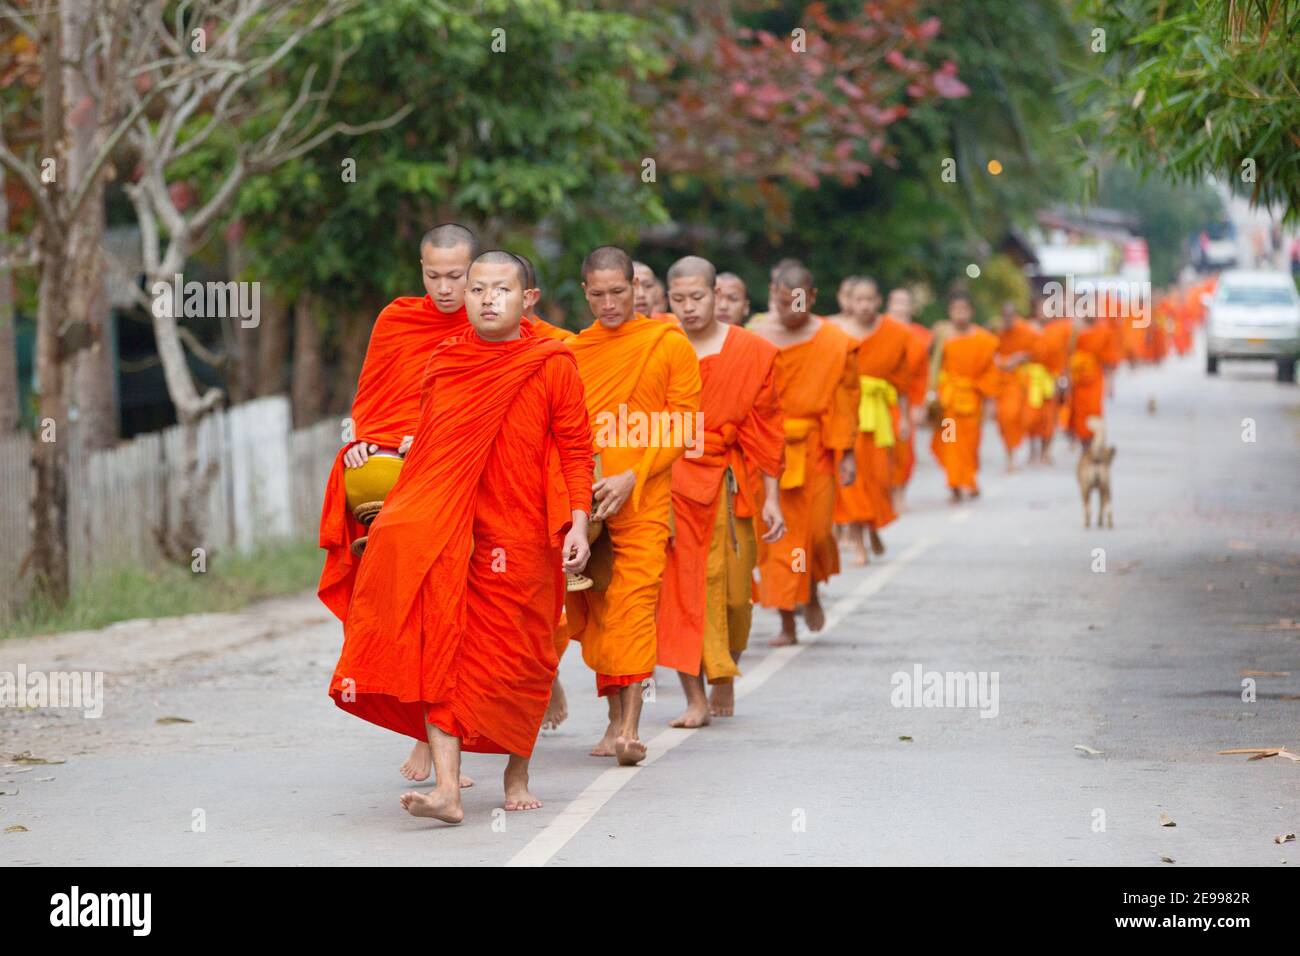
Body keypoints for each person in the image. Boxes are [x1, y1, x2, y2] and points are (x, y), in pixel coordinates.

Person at [329, 251, 594, 824]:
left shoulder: (553, 362)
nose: (486, 299)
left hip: (520, 532)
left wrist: (576, 521)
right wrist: (389, 465)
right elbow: (429, 445)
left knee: (522, 655)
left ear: (528, 299)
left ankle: (516, 772)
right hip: (454, 529)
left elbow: (575, 448)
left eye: (500, 289)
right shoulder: (446, 361)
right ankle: (448, 790)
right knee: (441, 650)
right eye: (477, 289)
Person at [316, 222, 477, 788]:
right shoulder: (397, 319)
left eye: (456, 276)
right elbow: (371, 398)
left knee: (452, 608)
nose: (445, 288)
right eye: (433, 275)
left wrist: (430, 438)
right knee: (403, 604)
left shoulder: (489, 321)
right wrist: (361, 442)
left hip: (456, 472)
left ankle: (446, 734)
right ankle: (423, 728)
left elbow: (487, 410)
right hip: (393, 468)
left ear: (475, 272)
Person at [559, 246, 702, 765]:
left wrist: (631, 476)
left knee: (634, 602)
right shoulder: (575, 351)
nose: (608, 303)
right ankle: (611, 717)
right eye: (597, 294)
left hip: (643, 493)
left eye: (618, 292)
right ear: (584, 292)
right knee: (597, 605)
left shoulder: (667, 343)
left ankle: (630, 728)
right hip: (588, 497)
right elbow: (566, 427)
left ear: (636, 287)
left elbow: (685, 426)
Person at [655, 256, 785, 725]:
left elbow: (768, 429)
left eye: (698, 297)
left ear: (716, 295)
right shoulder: (657, 344)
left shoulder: (751, 351)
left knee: (732, 595)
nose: (688, 308)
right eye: (679, 299)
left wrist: (772, 497)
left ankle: (724, 666)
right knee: (681, 590)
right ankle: (695, 697)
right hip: (670, 480)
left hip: (730, 483)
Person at [749, 260, 859, 646]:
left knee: (815, 532)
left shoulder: (834, 341)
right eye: (782, 303)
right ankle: (786, 622)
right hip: (769, 451)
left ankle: (810, 586)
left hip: (816, 449)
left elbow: (846, 401)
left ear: (813, 297)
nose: (790, 311)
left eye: (798, 303)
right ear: (773, 297)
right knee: (778, 539)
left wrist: (846, 453)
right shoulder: (758, 337)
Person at [833, 277, 910, 564]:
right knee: (850, 482)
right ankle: (858, 543)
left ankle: (872, 526)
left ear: (879, 301)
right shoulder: (836, 332)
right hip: (846, 415)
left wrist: (903, 417)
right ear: (849, 302)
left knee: (878, 479)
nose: (864, 305)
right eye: (858, 300)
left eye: (869, 300)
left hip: (879, 414)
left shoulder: (894, 333)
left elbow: (902, 380)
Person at [929, 291, 1000, 502]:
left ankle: (969, 481)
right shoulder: (942, 336)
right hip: (948, 402)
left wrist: (991, 401)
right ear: (949, 312)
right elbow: (932, 367)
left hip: (972, 401)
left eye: (964, 310)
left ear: (971, 312)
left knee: (970, 445)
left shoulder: (984, 339)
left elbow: (991, 372)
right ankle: (954, 484)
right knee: (950, 443)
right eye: (955, 310)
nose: (960, 314)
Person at [884, 288, 931, 497]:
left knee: (904, 449)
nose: (900, 307)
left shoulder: (921, 336)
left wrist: (920, 404)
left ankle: (900, 491)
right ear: (888, 306)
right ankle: (885, 492)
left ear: (911, 308)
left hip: (907, 400)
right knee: (881, 450)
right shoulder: (876, 329)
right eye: (896, 302)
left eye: (905, 303)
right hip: (878, 398)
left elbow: (922, 373)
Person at [993, 301, 1040, 472]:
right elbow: (992, 353)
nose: (1007, 320)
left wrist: (1019, 358)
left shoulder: (1026, 332)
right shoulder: (997, 332)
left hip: (1023, 382)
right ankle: (1010, 456)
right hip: (1002, 384)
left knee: (1027, 418)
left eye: (1010, 316)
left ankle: (1029, 451)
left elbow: (1036, 352)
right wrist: (1006, 361)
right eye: (1004, 316)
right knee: (1006, 418)